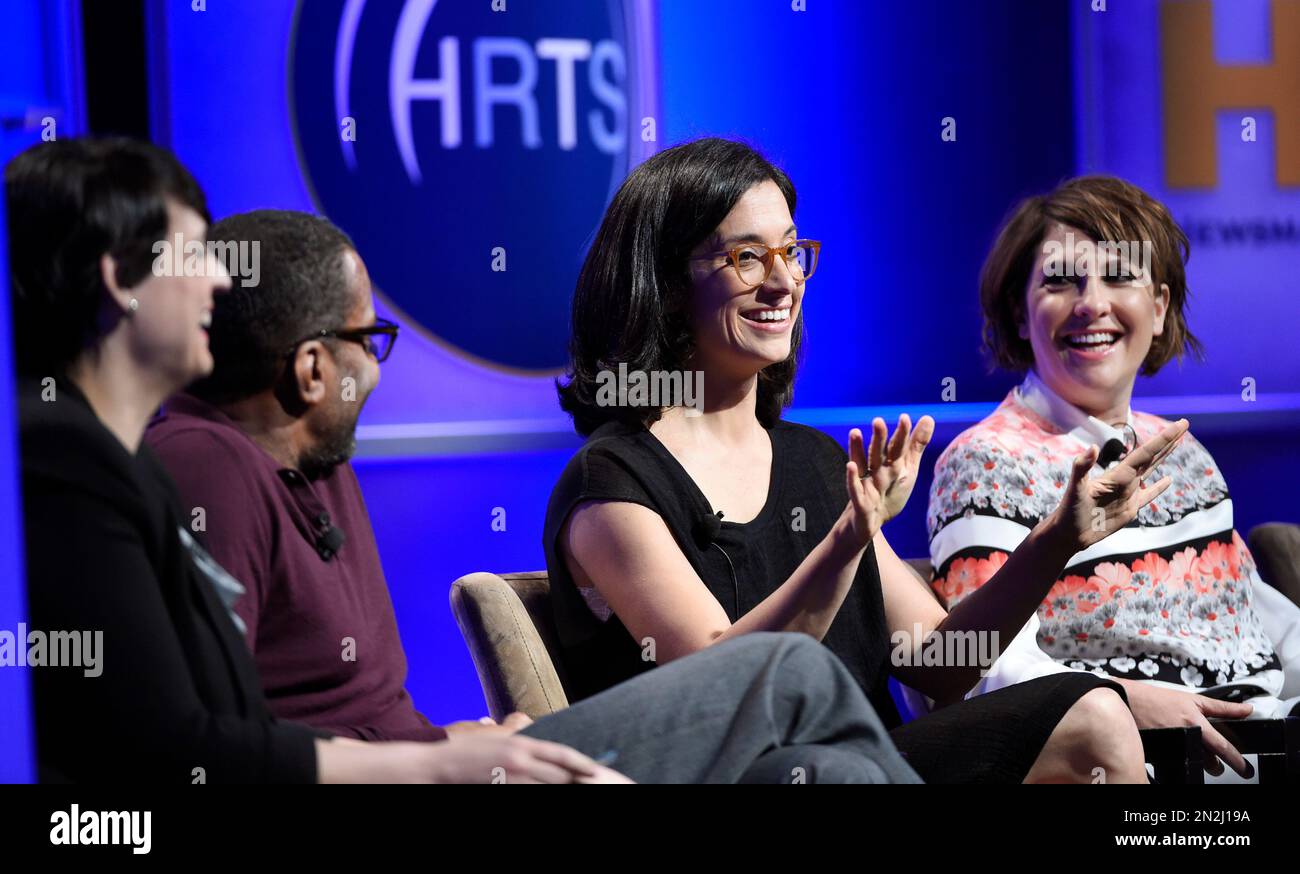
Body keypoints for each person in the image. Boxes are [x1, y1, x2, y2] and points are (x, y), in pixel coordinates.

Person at [7, 138, 908, 785]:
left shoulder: (295, 461)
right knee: (790, 676)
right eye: (194, 257)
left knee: (821, 767)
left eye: (793, 253)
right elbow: (180, 757)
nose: (216, 282)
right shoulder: (146, 464)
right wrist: (443, 765)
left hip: (436, 759)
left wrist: (458, 745)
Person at [544, 137, 1188, 783]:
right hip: (747, 775)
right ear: (667, 282)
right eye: (746, 257)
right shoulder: (613, 483)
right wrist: (847, 540)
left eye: (791, 252)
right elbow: (732, 689)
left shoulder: (813, 460)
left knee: (1094, 715)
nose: (783, 280)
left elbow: (944, 665)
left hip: (872, 764)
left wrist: (1055, 541)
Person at [923, 174, 1300, 781]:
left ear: (1158, 307)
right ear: (1019, 314)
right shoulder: (986, 461)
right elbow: (982, 672)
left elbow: (1255, 615)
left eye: (1118, 277)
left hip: (1266, 740)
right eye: (1061, 280)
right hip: (1147, 767)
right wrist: (1122, 703)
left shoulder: (1184, 450)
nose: (1090, 303)